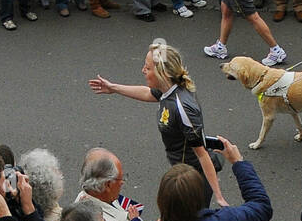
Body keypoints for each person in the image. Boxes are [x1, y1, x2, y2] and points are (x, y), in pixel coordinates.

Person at [89, 41, 226, 204]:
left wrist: (218, 196)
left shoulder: (183, 108)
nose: (143, 70)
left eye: (147, 68)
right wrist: (113, 88)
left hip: (193, 178)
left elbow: (202, 154)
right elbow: (148, 93)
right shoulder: (167, 90)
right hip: (180, 169)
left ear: (162, 73)